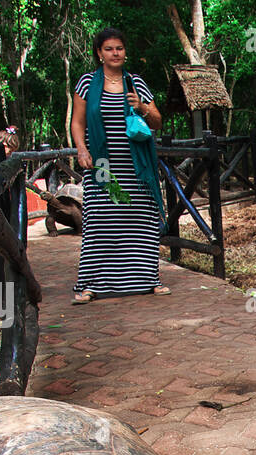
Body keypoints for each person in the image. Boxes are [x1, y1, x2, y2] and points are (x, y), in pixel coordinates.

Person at [70, 27, 168, 303]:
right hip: (102, 164)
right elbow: (77, 122)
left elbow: (158, 121)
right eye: (109, 49)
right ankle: (90, 284)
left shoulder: (135, 82)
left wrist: (142, 107)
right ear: (99, 54)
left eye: (119, 48)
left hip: (136, 166)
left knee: (140, 222)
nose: (115, 53)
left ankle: (149, 279)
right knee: (101, 221)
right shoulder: (87, 83)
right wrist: (81, 149)